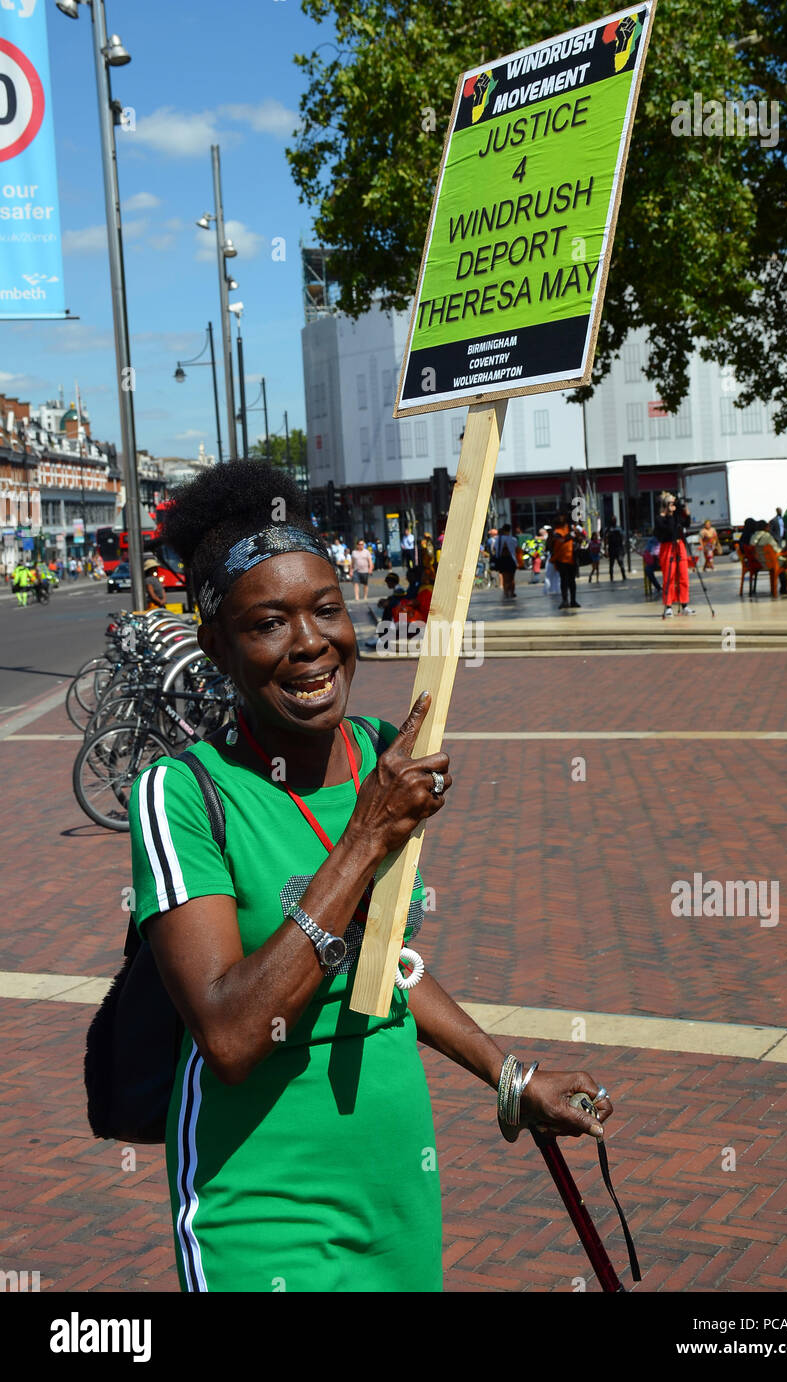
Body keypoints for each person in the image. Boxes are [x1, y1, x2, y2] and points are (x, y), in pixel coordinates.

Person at [128, 461, 612, 1293]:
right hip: (261, 1199)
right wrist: (365, 836)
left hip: (395, 1184)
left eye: (324, 608)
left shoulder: (383, 752)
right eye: (267, 622)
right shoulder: (182, 793)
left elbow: (376, 959)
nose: (310, 642)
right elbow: (232, 1034)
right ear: (217, 645)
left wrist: (510, 1075)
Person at [655, 492, 694, 619]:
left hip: (680, 546)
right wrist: (670, 514)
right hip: (667, 547)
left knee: (683, 575)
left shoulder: (676, 516)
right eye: (671, 503)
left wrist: (687, 514)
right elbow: (670, 530)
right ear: (666, 505)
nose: (674, 505)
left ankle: (684, 605)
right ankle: (668, 606)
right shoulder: (660, 518)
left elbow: (686, 525)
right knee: (669, 577)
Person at [547, 510, 580, 609]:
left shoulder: (570, 528)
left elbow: (579, 538)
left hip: (572, 558)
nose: (559, 518)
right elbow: (553, 543)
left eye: (561, 516)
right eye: (558, 516)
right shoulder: (554, 531)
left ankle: (573, 601)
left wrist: (577, 536)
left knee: (572, 581)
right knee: (564, 581)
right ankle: (565, 601)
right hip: (560, 559)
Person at [494, 523, 519, 600]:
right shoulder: (513, 539)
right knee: (512, 577)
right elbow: (516, 549)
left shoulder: (498, 539)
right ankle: (511, 592)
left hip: (502, 559)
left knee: (505, 577)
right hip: (512, 560)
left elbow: (495, 549)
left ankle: (505, 592)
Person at [604, 517, 627, 582]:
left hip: (618, 548)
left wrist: (623, 548)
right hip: (611, 549)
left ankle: (624, 576)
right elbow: (605, 539)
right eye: (613, 520)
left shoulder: (619, 528)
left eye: (615, 520)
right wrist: (605, 549)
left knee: (620, 562)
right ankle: (611, 577)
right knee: (611, 564)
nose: (614, 521)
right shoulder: (608, 529)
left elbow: (623, 537)